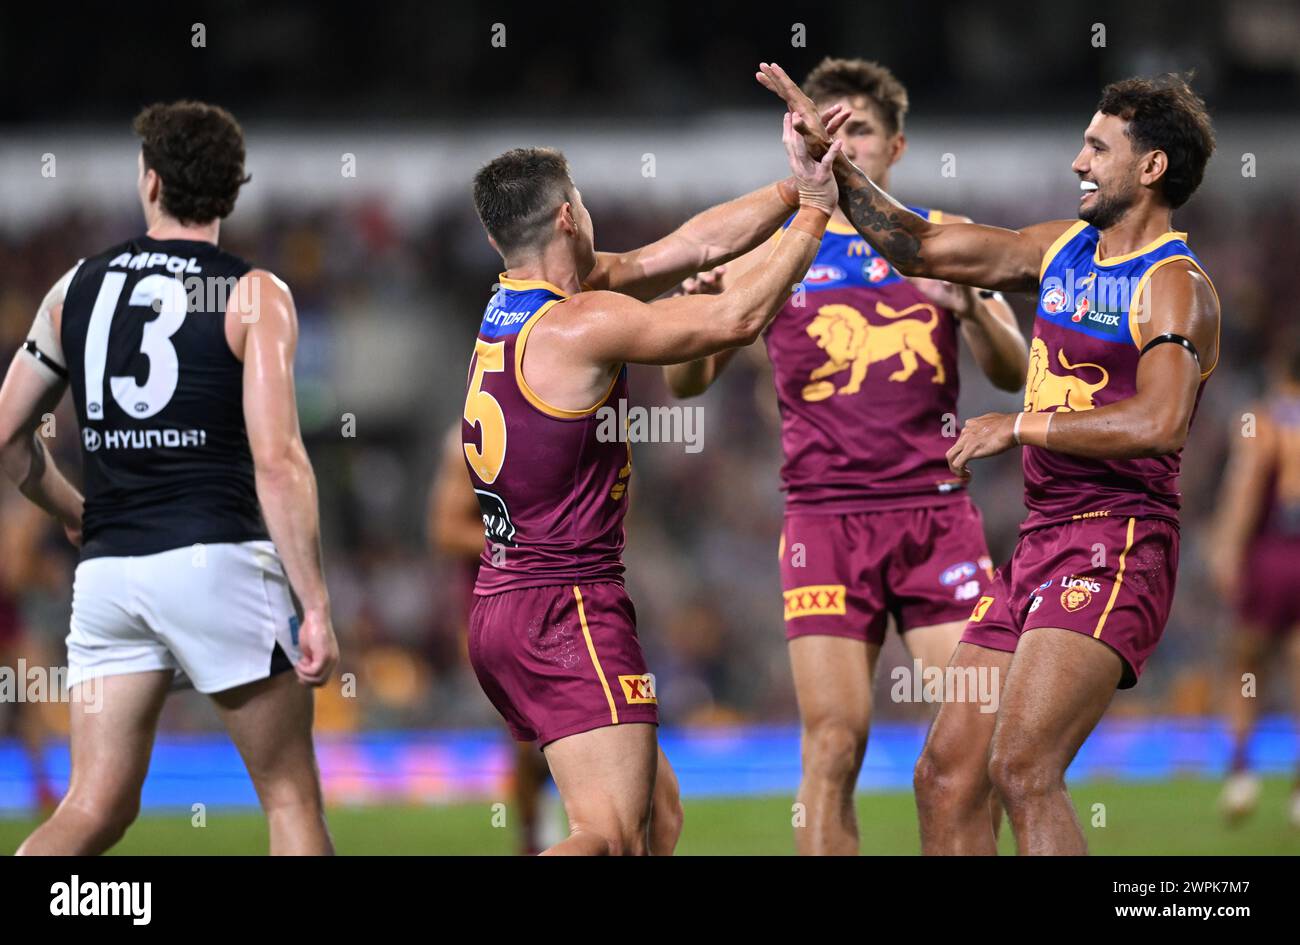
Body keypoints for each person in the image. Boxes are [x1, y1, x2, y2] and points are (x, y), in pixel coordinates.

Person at [760, 62, 1218, 854]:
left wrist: (1019, 426)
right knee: (944, 773)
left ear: (1151, 167)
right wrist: (827, 171)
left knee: (1022, 766)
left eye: (1097, 148)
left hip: (1117, 541)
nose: (1078, 162)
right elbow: (919, 243)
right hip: (1040, 543)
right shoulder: (1062, 250)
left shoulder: (1174, 284)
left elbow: (1162, 420)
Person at [665, 57, 1025, 855]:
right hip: (826, 523)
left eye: (857, 128)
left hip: (937, 517)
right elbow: (688, 381)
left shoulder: (936, 240)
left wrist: (973, 307)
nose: (841, 141)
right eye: (824, 128)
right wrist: (697, 309)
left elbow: (1013, 370)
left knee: (980, 737)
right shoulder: (775, 253)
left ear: (895, 146)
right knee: (833, 743)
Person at [464, 114, 840, 854]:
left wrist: (794, 187)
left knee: (656, 822)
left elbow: (687, 247)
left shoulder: (515, 304)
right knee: (604, 835)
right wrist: (820, 212)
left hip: (501, 604)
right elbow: (735, 317)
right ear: (570, 215)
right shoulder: (584, 322)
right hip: (564, 603)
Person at [2, 101, 339, 855]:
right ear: (230, 192)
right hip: (216, 558)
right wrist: (314, 605)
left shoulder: (74, 288)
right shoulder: (256, 294)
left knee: (90, 808)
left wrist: (73, 509)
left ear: (149, 182)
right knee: (289, 800)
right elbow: (279, 459)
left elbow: (7, 434)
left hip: (110, 577)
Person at [1206, 351, 1300, 827]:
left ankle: (1242, 774)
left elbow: (1244, 492)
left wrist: (1227, 550)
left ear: (1279, 369)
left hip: (1271, 557)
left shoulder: (1262, 421)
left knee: (1244, 666)